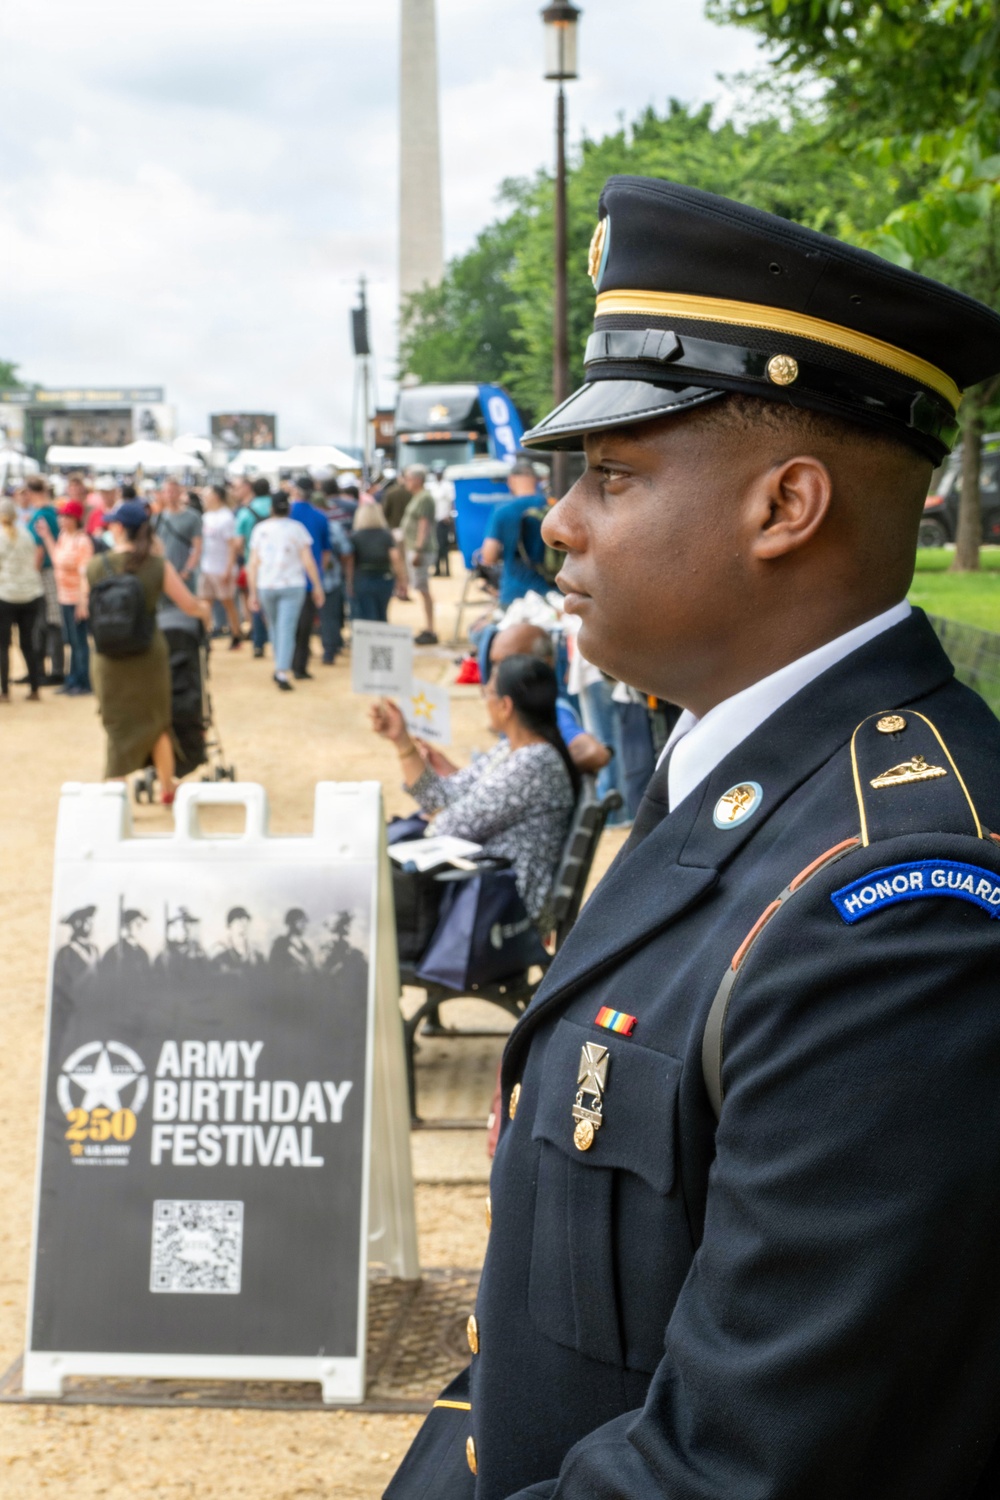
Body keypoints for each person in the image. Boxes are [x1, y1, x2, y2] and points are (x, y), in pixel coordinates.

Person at [387, 178, 1000, 1500]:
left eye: (611, 475)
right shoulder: (731, 770)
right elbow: (537, 1332)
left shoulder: (900, 902)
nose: (559, 520)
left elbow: (738, 1465)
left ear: (784, 508)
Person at [371, 654, 577, 926]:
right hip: (486, 884)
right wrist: (401, 740)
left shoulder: (533, 762)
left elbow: (444, 827)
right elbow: (440, 799)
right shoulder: (512, 750)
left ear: (505, 705)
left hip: (503, 899)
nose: (484, 699)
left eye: (488, 692)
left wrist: (442, 815)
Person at [85, 498, 209, 802]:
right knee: (156, 723)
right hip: (148, 656)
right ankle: (168, 787)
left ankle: (115, 793)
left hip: (108, 657)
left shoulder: (95, 566)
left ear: (118, 528)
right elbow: (189, 605)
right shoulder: (157, 565)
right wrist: (206, 612)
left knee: (117, 725)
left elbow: (86, 609)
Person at [245, 490, 324, 690]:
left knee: (275, 626)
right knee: (285, 628)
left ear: (271, 508)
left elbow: (253, 563)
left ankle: (280, 667)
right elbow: (308, 561)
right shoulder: (297, 529)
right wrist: (317, 586)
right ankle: (281, 669)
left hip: (266, 585)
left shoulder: (260, 529)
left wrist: (252, 592)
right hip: (292, 585)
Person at [35, 498, 94, 695]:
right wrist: (45, 536)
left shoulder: (82, 541)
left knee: (79, 641)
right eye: (62, 516)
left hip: (76, 598)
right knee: (71, 640)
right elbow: (56, 558)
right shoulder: (63, 536)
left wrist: (83, 601)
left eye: (66, 516)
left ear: (75, 518)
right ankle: (72, 679)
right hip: (64, 596)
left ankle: (82, 681)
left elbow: (85, 573)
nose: (61, 519)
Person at [480, 459, 551, 608]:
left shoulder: (502, 511)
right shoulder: (552, 506)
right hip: (551, 593)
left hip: (515, 594)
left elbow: (489, 556)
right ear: (536, 480)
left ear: (511, 480)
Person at [0, 495, 44, 702]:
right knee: (27, 642)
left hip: (6, 594)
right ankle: (35, 688)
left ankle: (5, 691)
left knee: (2, 645)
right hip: (30, 593)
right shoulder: (26, 533)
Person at [289, 475, 331, 680]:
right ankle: (299, 666)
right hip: (308, 579)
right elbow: (325, 552)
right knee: (304, 627)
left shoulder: (287, 515)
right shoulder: (320, 517)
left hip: (285, 578)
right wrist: (318, 575)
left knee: (288, 624)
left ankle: (286, 662)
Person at [23, 477, 64, 684]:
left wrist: (32, 572)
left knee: (50, 620)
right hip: (48, 570)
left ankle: (54, 669)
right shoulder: (50, 512)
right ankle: (40, 668)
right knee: (44, 620)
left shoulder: (41, 515)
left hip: (44, 571)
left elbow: (39, 549)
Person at [198, 485, 241, 647]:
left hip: (222, 567)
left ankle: (236, 634)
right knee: (204, 602)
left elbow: (232, 545)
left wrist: (228, 569)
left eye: (207, 495)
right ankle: (204, 635)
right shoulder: (207, 516)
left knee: (228, 603)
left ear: (216, 496)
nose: (205, 498)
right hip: (207, 566)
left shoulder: (226, 517)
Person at [399, 465, 438, 644]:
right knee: (422, 588)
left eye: (407, 478)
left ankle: (430, 629)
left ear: (417, 479)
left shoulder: (424, 498)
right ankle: (429, 627)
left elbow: (424, 525)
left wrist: (419, 550)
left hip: (419, 550)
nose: (405, 481)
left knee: (423, 589)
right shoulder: (419, 497)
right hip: (415, 548)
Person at [234, 476, 272, 657]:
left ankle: (258, 643)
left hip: (253, 563)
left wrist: (244, 557)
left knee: (255, 601)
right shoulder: (276, 506)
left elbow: (238, 541)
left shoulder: (246, 511)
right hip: (277, 563)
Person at [350, 504, 407, 622]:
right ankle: (382, 637)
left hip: (363, 579)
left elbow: (350, 562)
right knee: (382, 613)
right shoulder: (386, 535)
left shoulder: (355, 536)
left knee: (367, 614)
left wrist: (349, 582)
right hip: (384, 578)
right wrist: (402, 580)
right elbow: (395, 558)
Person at [318, 503, 353, 665]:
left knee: (325, 617)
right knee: (330, 616)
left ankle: (329, 648)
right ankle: (330, 649)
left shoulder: (303, 526)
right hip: (331, 578)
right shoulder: (334, 527)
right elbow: (346, 550)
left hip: (317, 580)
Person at [214, 907, 263, 972]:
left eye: (245, 922)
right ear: (229, 927)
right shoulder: (221, 957)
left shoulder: (257, 955)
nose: (243, 927)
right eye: (238, 923)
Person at [85, 476, 118, 541]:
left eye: (108, 492)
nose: (105, 495)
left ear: (114, 492)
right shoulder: (95, 513)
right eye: (103, 492)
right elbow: (88, 533)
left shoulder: (120, 511)